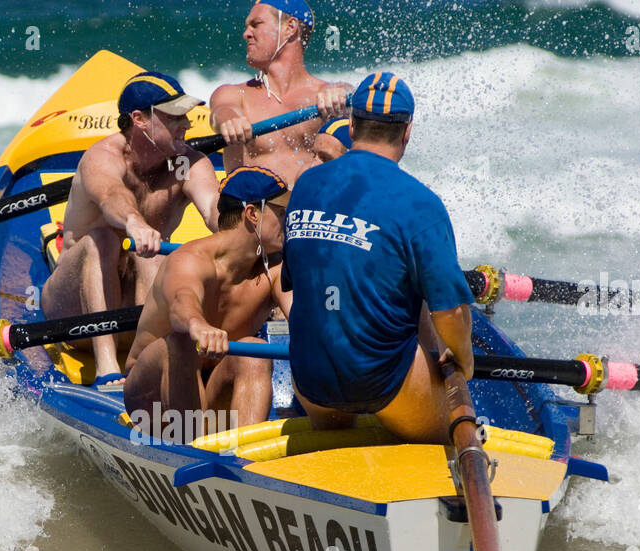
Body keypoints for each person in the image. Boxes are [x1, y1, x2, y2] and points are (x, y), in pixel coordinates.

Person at [282, 72, 475, 444]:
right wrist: (463, 360)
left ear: (351, 125)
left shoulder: (306, 184)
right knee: (452, 434)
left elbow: (296, 282)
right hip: (383, 380)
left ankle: (335, 442)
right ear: (407, 131)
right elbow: (450, 314)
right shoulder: (421, 203)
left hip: (310, 378)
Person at [40, 71, 220, 387]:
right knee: (103, 240)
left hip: (140, 314)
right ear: (139, 119)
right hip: (73, 315)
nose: (188, 126)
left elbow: (213, 210)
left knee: (153, 255)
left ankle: (147, 365)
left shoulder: (188, 162)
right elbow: (112, 196)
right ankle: (108, 370)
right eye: (176, 118)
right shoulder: (103, 156)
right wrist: (134, 222)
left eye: (187, 116)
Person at [123, 167, 292, 440]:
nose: (289, 222)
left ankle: (246, 463)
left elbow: (302, 316)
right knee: (181, 342)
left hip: (213, 389)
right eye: (282, 213)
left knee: (254, 351)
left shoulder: (275, 268)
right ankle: (190, 453)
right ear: (252, 214)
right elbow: (183, 302)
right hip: (151, 399)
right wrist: (197, 325)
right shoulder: (190, 259)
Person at [209, 0, 352, 185]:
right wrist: (229, 121)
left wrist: (344, 94)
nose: (246, 34)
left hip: (307, 209)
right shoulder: (234, 95)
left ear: (290, 27)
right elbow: (221, 112)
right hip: (251, 210)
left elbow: (356, 106)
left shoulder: (328, 94)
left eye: (256, 24)